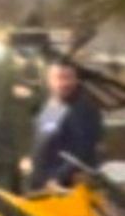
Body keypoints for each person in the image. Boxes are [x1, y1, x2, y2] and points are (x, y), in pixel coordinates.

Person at [25, 61, 104, 191]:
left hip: (67, 186)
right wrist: (30, 159)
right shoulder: (54, 105)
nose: (63, 83)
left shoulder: (84, 110)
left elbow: (82, 151)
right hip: (43, 182)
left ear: (76, 80)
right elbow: (43, 140)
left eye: (68, 78)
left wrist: (57, 178)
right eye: (58, 78)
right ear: (49, 81)